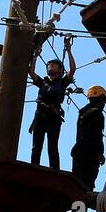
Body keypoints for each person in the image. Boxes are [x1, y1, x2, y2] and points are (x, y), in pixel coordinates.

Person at [28, 37, 76, 170]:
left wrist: (69, 51)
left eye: (53, 64)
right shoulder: (43, 82)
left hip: (53, 117)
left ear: (60, 69)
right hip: (40, 116)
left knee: (52, 147)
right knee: (36, 146)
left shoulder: (62, 82)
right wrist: (35, 57)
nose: (50, 66)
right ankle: (33, 168)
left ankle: (55, 170)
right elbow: (31, 73)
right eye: (49, 65)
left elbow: (72, 69)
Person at [70, 85, 106, 190]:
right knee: (86, 188)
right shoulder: (97, 114)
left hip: (78, 153)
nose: (104, 104)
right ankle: (81, 205)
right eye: (104, 101)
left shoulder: (82, 113)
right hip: (89, 156)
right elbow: (96, 136)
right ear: (101, 99)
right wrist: (99, 153)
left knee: (76, 187)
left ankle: (77, 206)